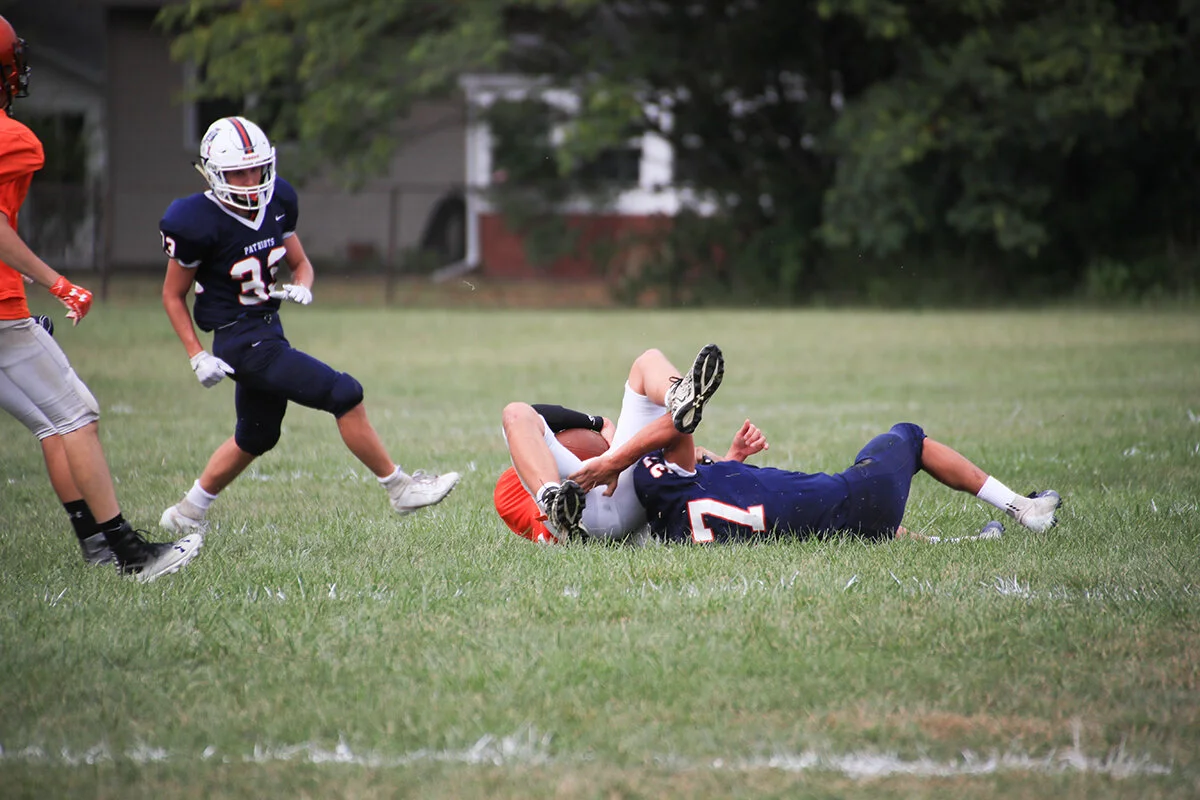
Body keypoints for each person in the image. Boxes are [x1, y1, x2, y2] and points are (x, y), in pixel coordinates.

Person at [157, 116, 459, 535]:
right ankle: (399, 487)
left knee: (257, 435)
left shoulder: (277, 198)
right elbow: (173, 295)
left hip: (268, 329)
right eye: (236, 173)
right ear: (212, 173)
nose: (249, 182)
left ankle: (188, 510)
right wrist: (196, 355)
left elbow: (300, 263)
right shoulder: (193, 219)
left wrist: (302, 285)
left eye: (255, 169)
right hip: (238, 339)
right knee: (344, 392)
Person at [0, 15, 202, 581]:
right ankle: (132, 554)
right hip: (2, 314)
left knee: (49, 425)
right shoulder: (13, 140)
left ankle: (94, 544)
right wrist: (58, 281)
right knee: (77, 415)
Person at [570, 401, 1063, 544]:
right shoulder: (652, 468)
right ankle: (1022, 508)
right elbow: (675, 427)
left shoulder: (664, 519)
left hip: (828, 520)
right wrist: (613, 451)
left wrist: (732, 458)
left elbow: (712, 491)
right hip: (854, 495)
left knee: (842, 517)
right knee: (908, 437)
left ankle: (955, 547)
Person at [496, 344, 741, 543]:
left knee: (648, 360)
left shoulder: (532, 452)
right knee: (515, 412)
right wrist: (601, 435)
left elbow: (532, 414)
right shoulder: (508, 491)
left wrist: (609, 453)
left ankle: (678, 396)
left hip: (620, 488)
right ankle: (555, 505)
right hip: (581, 522)